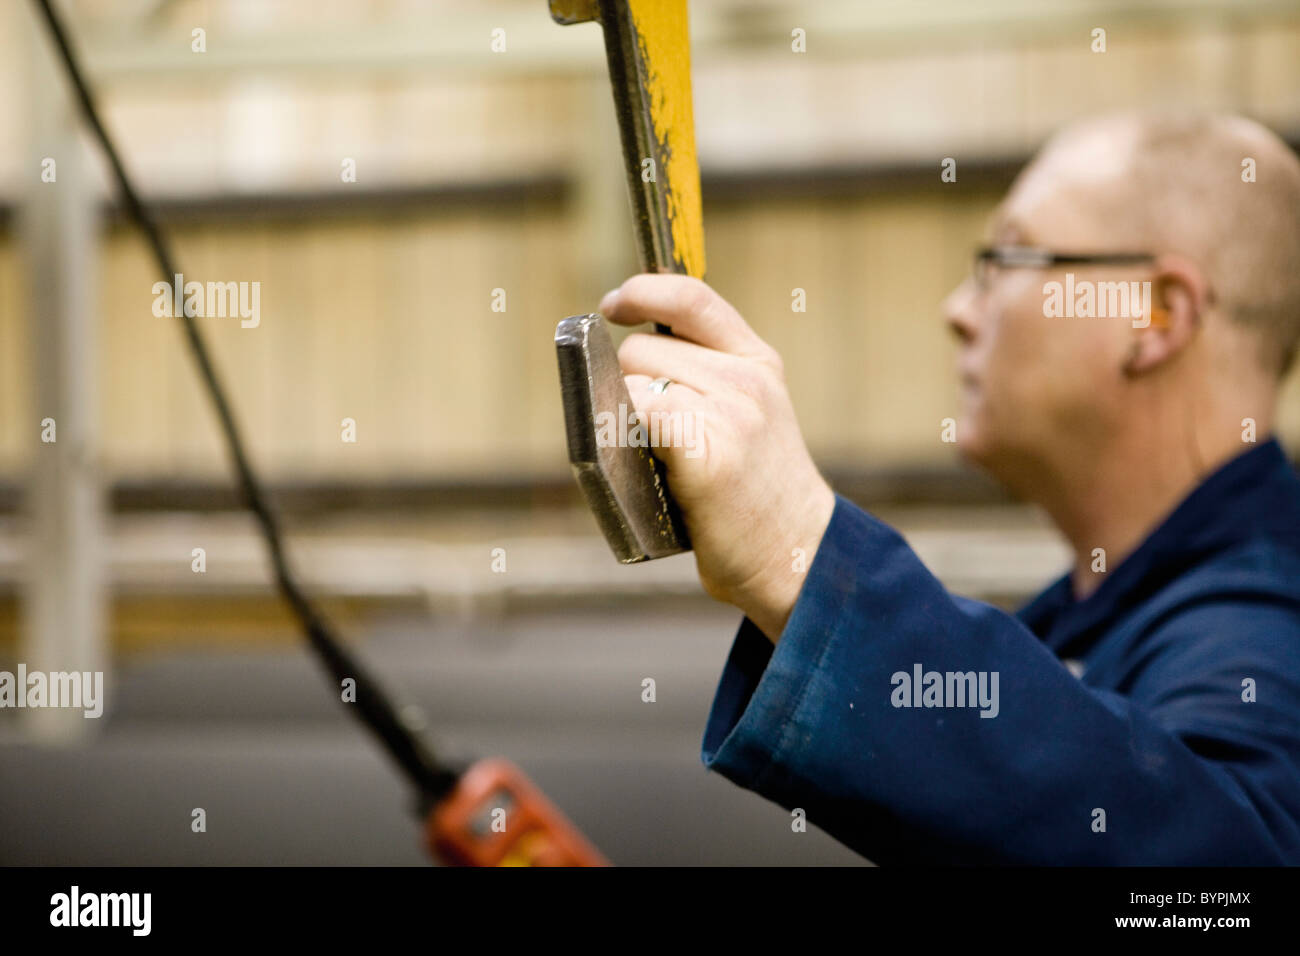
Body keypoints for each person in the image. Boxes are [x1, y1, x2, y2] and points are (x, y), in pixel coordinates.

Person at [597, 111, 1300, 864]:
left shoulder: (1265, 638)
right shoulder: (1106, 622)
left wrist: (795, 549)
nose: (958, 310)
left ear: (1155, 317)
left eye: (1009, 257)